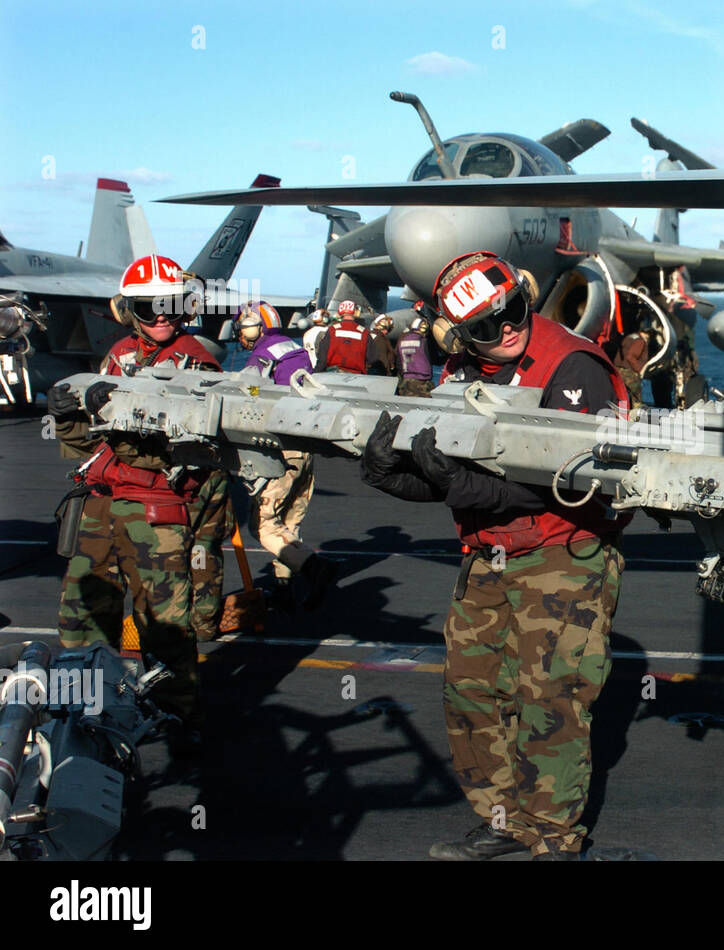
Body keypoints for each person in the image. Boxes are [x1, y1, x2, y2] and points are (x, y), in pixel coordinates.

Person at [360, 251, 630, 860]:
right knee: (472, 691)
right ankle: (504, 820)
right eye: (485, 325)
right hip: (489, 555)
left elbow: (572, 477)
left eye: (511, 310)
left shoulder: (573, 368)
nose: (505, 327)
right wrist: (401, 479)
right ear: (460, 334)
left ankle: (554, 840)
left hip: (563, 555)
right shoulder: (463, 372)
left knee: (551, 701)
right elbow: (456, 468)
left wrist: (461, 487)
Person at [47, 254, 227, 750]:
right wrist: (67, 417)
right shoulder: (118, 355)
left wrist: (113, 424)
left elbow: (185, 449)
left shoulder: (198, 361)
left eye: (172, 306)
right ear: (131, 310)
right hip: (101, 502)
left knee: (163, 624)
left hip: (157, 508)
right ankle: (74, 711)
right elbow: (87, 447)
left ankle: (176, 722)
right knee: (81, 612)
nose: (164, 317)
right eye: (151, 307)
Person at [234, 301, 338, 611]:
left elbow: (248, 392)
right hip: (307, 444)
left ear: (258, 326)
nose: (241, 331)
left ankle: (314, 569)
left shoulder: (263, 353)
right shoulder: (295, 347)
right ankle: (285, 588)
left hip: (282, 447)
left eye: (244, 325)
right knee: (290, 521)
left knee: (264, 526)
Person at [313, 299, 387, 375]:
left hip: (333, 375)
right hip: (357, 377)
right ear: (355, 312)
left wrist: (315, 374)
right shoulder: (364, 332)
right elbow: (373, 357)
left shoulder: (332, 330)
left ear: (340, 312)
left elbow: (322, 357)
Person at [395, 314, 436, 397]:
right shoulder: (423, 341)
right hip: (422, 380)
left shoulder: (402, 341)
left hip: (406, 379)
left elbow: (399, 361)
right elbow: (432, 358)